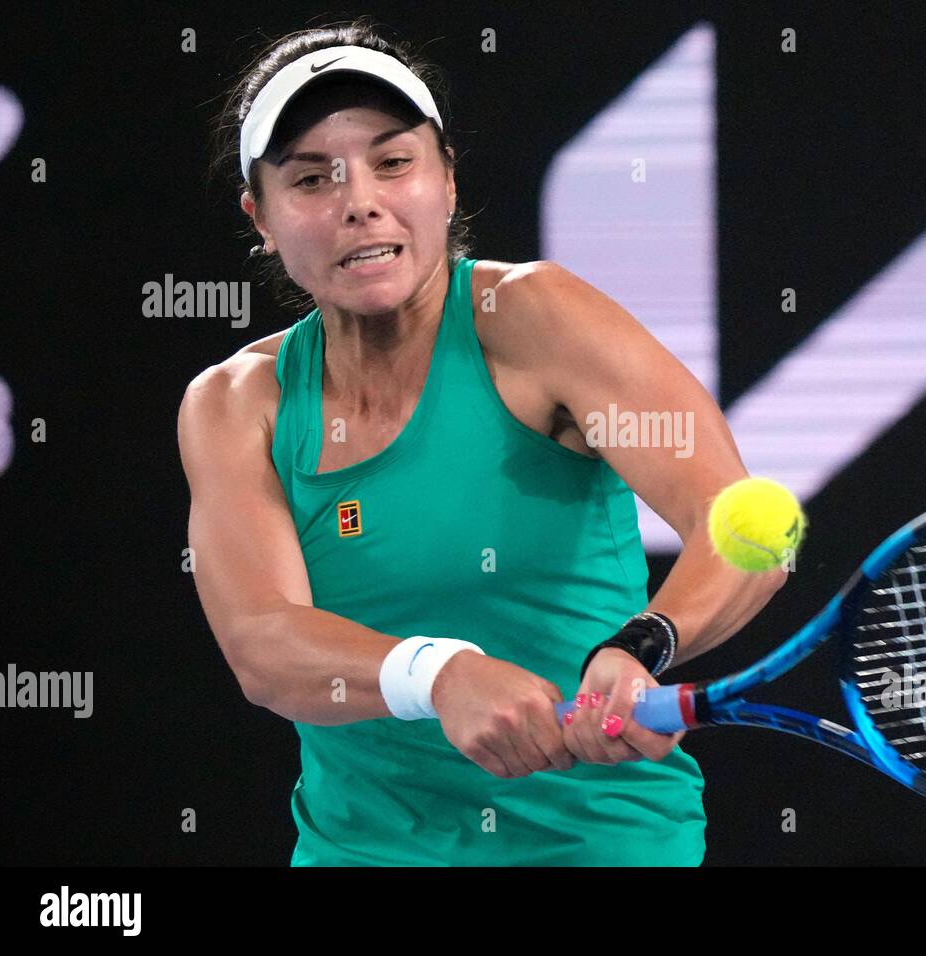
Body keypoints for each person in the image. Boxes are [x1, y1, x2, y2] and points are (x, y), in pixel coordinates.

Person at [177, 19, 786, 866]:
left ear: (448, 180)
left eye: (394, 162)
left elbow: (746, 530)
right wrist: (442, 674)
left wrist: (641, 643)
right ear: (262, 217)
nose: (360, 201)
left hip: (601, 847)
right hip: (363, 853)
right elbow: (264, 645)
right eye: (312, 178)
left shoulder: (538, 318)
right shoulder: (238, 403)